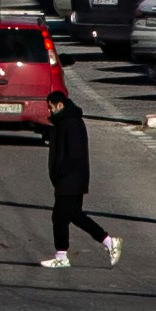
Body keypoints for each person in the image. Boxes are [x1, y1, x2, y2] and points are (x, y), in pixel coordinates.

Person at [41, 93, 113, 269]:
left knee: (62, 216)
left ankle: (105, 242)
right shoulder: (64, 121)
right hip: (70, 179)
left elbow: (73, 154)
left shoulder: (70, 122)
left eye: (51, 106)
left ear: (59, 105)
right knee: (71, 215)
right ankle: (107, 241)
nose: (49, 110)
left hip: (71, 179)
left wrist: (60, 173)